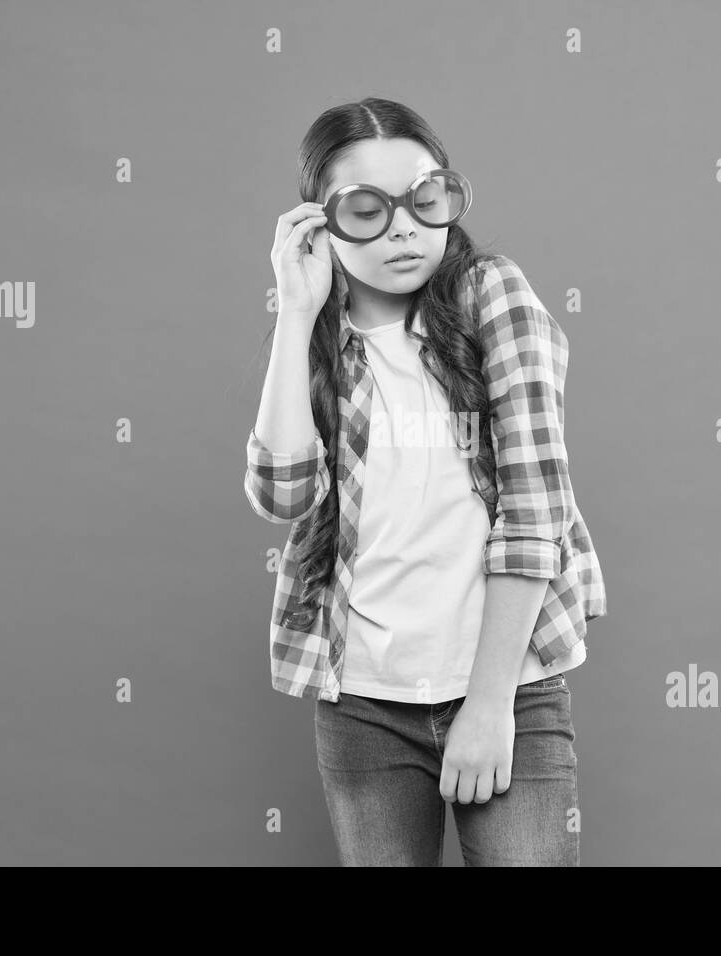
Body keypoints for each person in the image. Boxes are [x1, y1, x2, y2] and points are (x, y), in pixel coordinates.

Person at [244, 97, 606, 866]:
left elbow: (535, 510)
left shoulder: (494, 298)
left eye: (425, 199)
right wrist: (294, 312)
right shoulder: (323, 343)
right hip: (365, 702)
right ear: (321, 224)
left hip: (509, 683)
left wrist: (487, 706)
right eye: (368, 210)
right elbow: (283, 496)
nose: (405, 228)